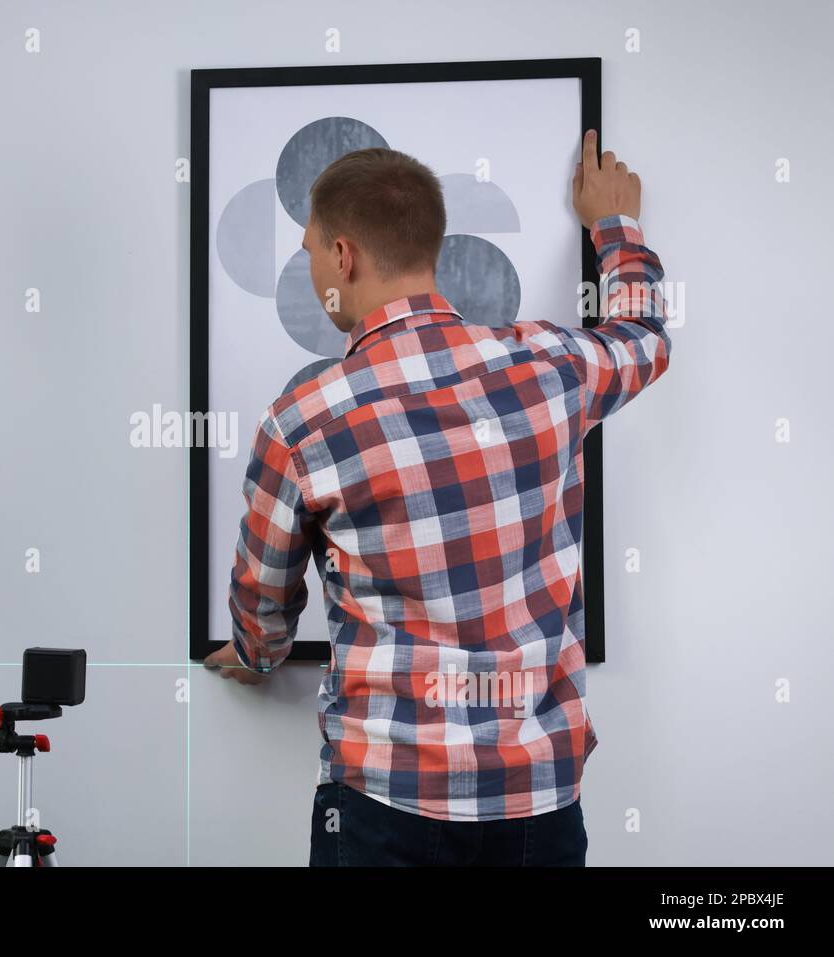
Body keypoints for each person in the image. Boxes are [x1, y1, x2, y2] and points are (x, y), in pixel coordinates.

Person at [204, 130, 670, 866]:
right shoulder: (551, 365)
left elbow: (263, 603)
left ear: (344, 257)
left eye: (311, 250)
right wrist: (615, 225)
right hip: (538, 802)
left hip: (382, 804)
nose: (310, 266)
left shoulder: (305, 419)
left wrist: (256, 656)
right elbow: (642, 337)